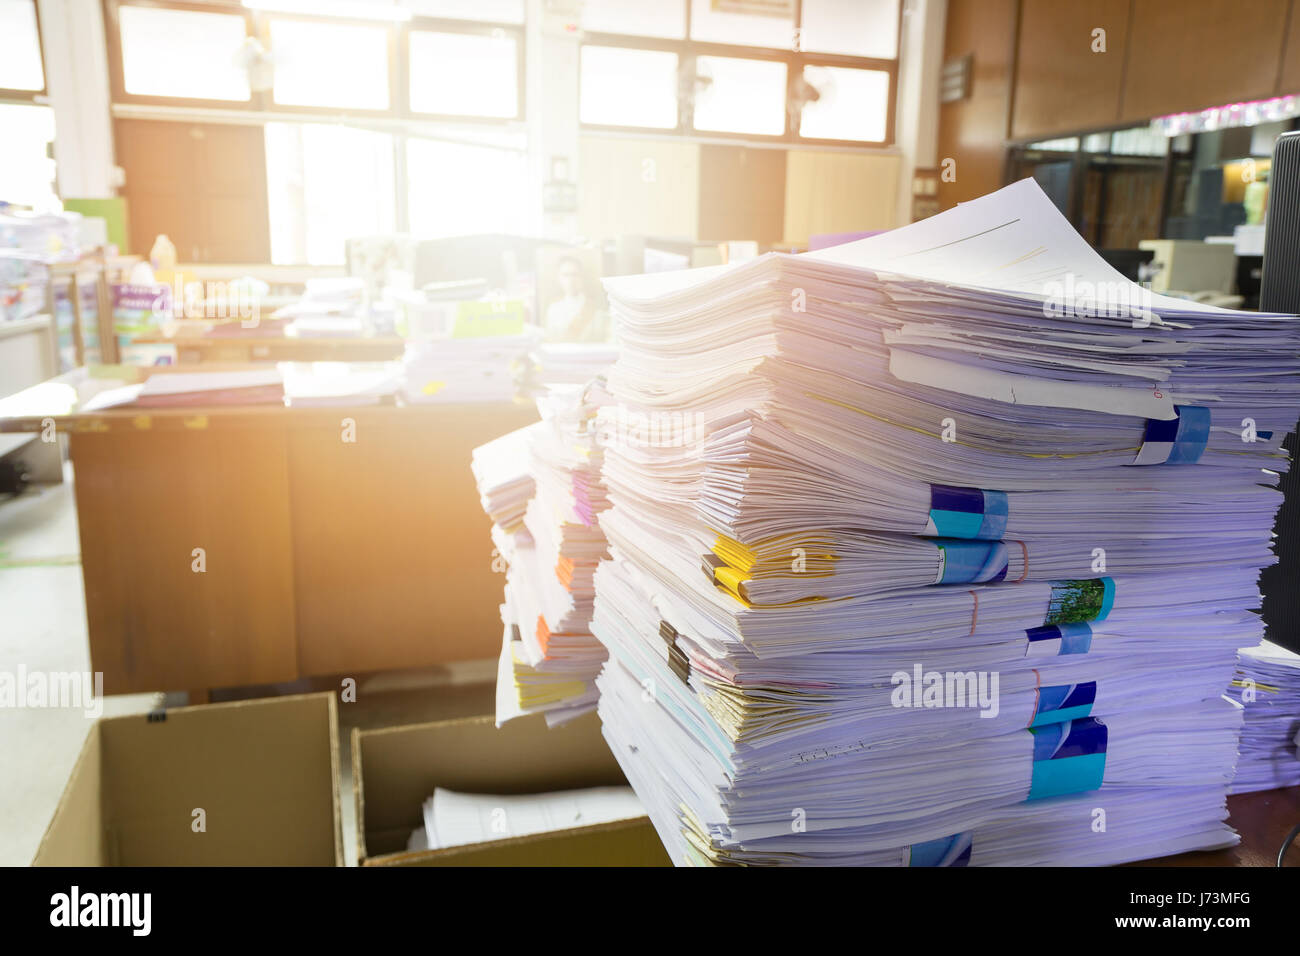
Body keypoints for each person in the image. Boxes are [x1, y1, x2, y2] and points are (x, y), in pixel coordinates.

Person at [544, 254, 606, 341]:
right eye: (566, 275)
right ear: (559, 279)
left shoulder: (594, 308)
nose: (571, 280)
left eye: (575, 274)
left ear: (582, 277)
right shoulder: (553, 309)